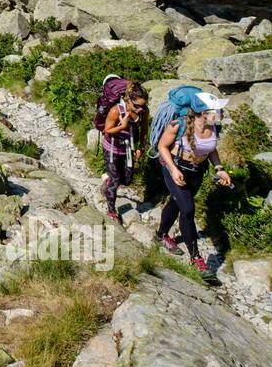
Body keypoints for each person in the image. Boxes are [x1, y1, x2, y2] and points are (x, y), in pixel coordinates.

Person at [154, 91, 231, 273]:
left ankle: (160, 235)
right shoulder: (177, 125)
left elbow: (210, 150)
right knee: (188, 210)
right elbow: (162, 146)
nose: (221, 113)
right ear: (202, 112)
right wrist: (173, 170)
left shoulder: (214, 127)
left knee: (177, 202)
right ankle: (196, 259)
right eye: (217, 110)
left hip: (197, 171)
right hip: (176, 168)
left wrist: (219, 169)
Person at [99, 81, 147, 222]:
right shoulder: (116, 110)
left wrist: (141, 147)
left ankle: (107, 180)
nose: (140, 109)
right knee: (116, 180)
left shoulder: (144, 111)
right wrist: (122, 126)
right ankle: (111, 212)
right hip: (112, 148)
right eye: (137, 106)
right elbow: (107, 130)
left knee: (127, 180)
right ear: (128, 100)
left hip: (127, 149)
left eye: (143, 106)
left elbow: (144, 130)